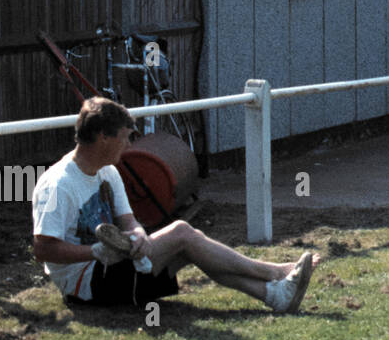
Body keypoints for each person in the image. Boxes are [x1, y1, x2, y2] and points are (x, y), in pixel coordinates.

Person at [32, 97, 317, 312]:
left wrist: (139, 235)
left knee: (193, 245)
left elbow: (128, 220)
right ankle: (275, 273)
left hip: (114, 270)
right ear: (102, 137)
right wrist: (94, 252)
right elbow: (43, 249)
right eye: (124, 138)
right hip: (85, 286)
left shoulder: (107, 170)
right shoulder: (58, 184)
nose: (129, 146)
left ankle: (276, 296)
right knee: (182, 232)